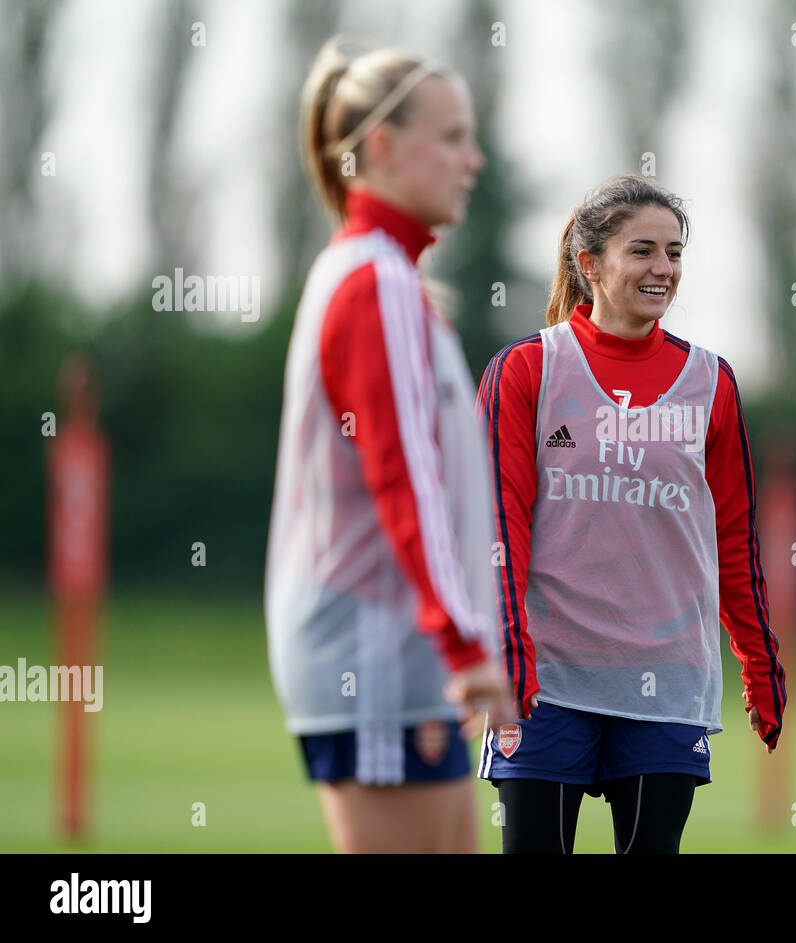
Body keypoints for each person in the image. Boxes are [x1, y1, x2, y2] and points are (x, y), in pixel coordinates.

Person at [476, 174, 787, 853]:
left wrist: (759, 662)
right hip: (546, 679)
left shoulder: (712, 381)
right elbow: (498, 528)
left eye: (674, 252)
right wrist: (508, 654)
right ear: (590, 264)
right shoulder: (528, 370)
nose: (664, 269)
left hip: (667, 684)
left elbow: (734, 537)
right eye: (643, 250)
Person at [264, 36, 509, 853]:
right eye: (451, 137)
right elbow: (404, 479)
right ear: (382, 146)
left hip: (406, 662)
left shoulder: (394, 281)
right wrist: (463, 638)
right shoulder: (374, 283)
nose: (472, 159)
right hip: (376, 657)